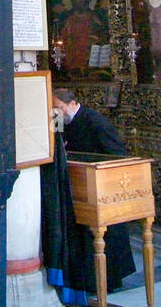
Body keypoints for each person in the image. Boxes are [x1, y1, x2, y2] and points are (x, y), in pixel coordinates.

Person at [52, 89, 137, 293]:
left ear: (72, 103)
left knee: (106, 238)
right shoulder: (61, 120)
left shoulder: (96, 123)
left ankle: (109, 280)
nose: (57, 112)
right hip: (79, 189)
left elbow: (117, 156)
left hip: (102, 189)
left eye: (60, 108)